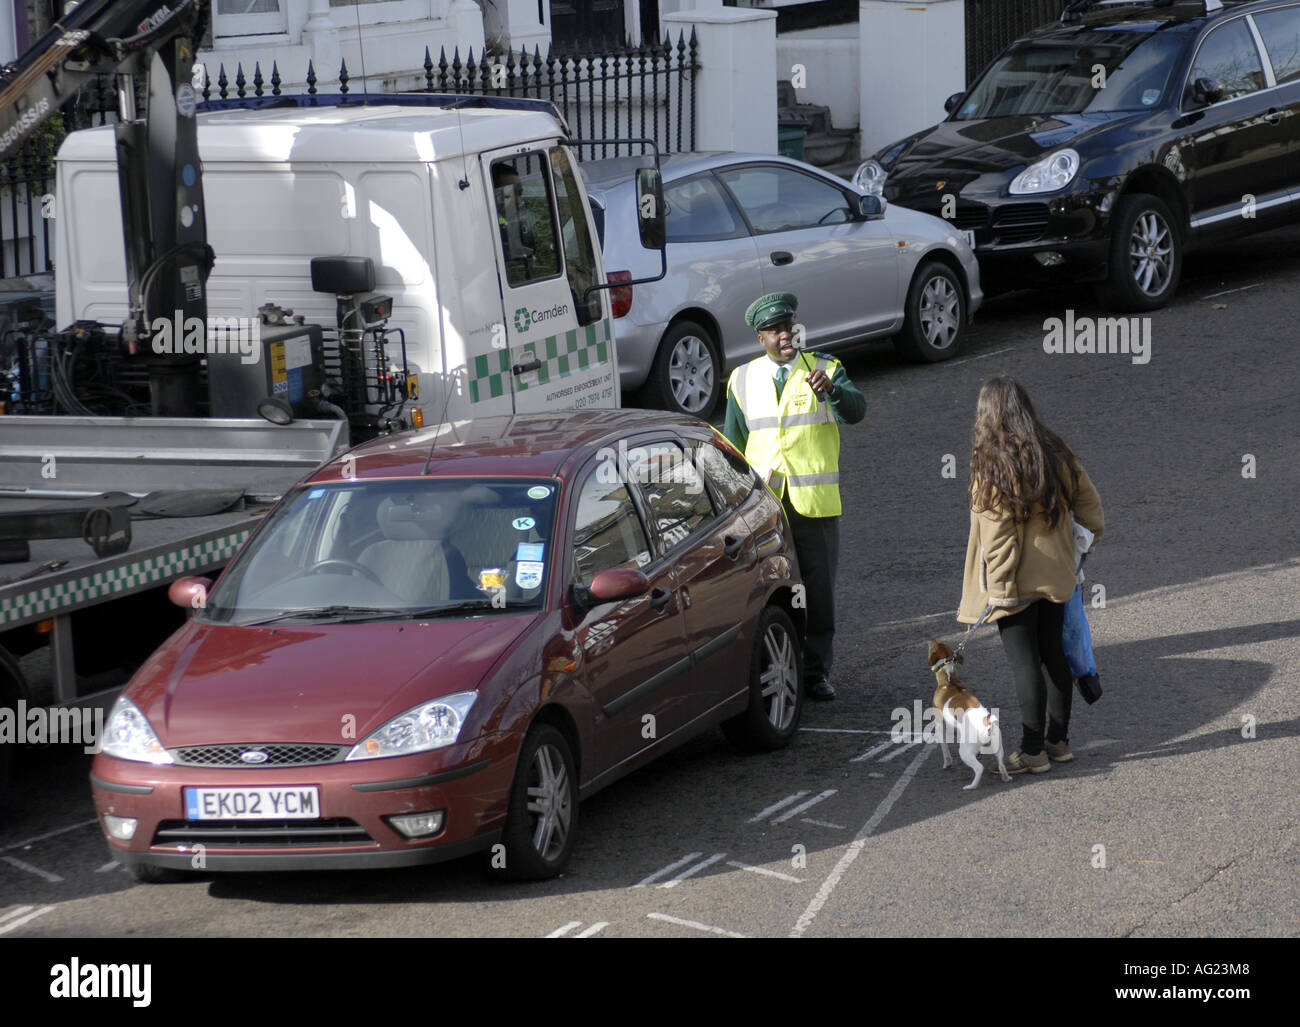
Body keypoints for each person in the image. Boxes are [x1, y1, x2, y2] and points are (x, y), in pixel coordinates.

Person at [723, 292, 866, 701]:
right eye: (775, 330)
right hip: (764, 505)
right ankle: (774, 665)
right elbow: (733, 446)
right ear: (760, 337)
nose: (786, 335)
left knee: (818, 591)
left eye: (789, 326)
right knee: (770, 588)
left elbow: (858, 411)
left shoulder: (825, 368)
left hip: (813, 502)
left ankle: (816, 671)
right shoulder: (742, 379)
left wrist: (833, 393)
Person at [957, 376, 1104, 773]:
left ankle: (1032, 750)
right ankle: (1059, 742)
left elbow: (999, 535)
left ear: (987, 415)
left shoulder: (992, 463)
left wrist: (1000, 590)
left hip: (1016, 584)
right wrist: (1079, 550)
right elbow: (1090, 506)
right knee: (1053, 654)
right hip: (1056, 575)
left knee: (1025, 663)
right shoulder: (1054, 449)